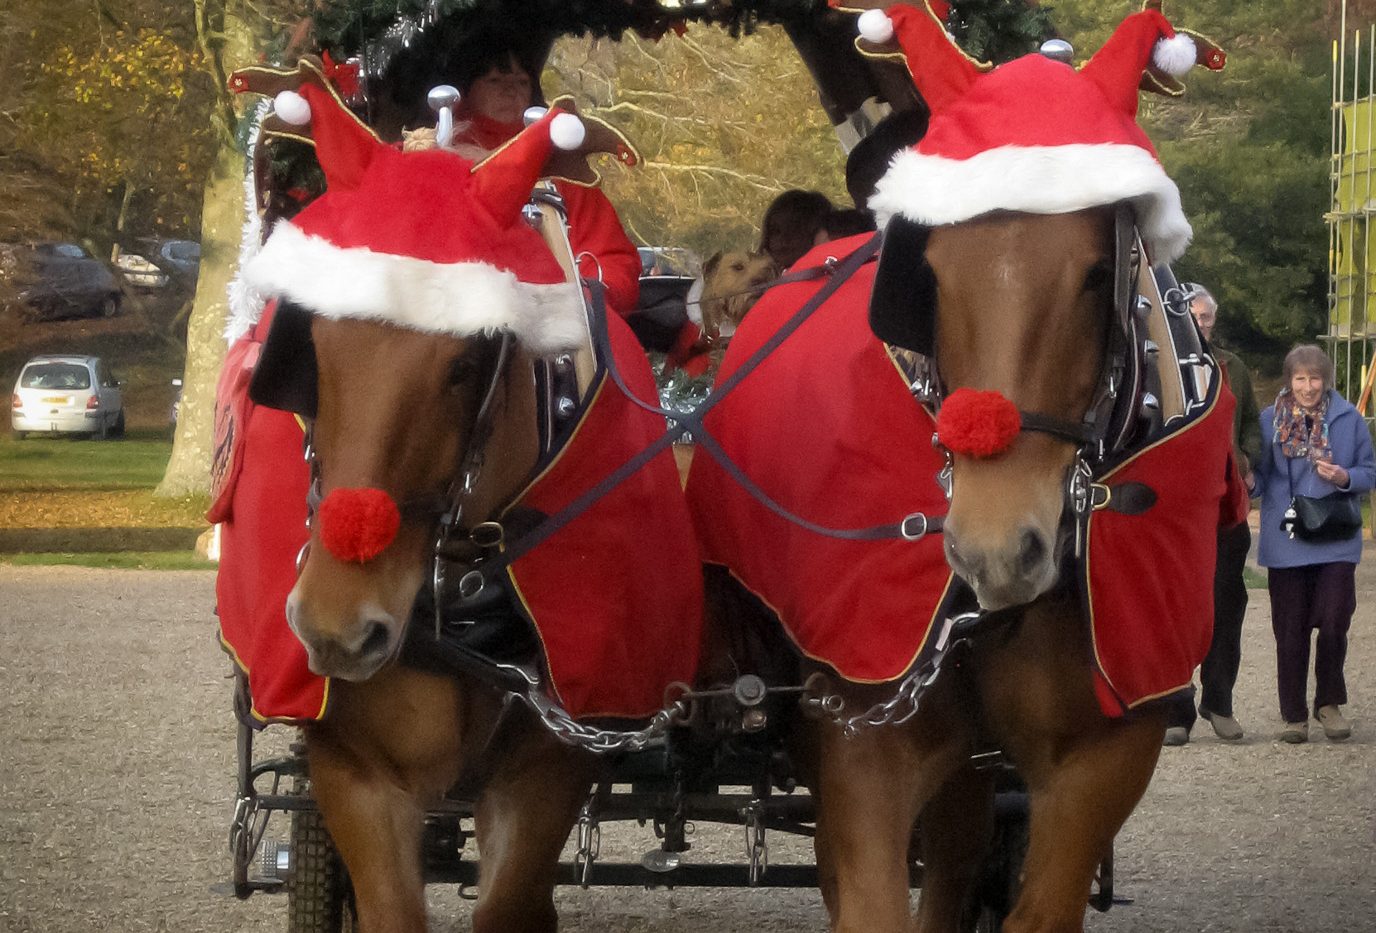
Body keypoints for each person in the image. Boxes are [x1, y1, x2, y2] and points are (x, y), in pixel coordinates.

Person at [445, 44, 642, 317]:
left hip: (558, 316)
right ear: (465, 91)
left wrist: (590, 297)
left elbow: (611, 258)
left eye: (521, 82)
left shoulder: (563, 168)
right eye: (495, 81)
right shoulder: (441, 160)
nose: (511, 91)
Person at [1252, 344, 1375, 743]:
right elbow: (1258, 479)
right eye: (1300, 378)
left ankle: (1329, 703)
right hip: (1287, 538)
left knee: (1336, 619)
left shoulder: (1349, 418)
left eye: (1315, 378)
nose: (1308, 387)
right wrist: (1246, 478)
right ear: (1289, 381)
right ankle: (1294, 716)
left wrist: (1344, 476)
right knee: (1290, 631)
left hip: (1336, 535)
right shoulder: (1269, 420)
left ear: (1326, 381)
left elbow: (1369, 471)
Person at [1162, 285, 1262, 745]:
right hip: (1177, 512)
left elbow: (1252, 425)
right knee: (1176, 610)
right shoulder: (1160, 365)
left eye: (1205, 317)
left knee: (1227, 603)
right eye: (1193, 316)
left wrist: (1247, 460)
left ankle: (1219, 703)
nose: (1200, 324)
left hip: (1225, 507)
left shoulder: (1232, 367)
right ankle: (1175, 711)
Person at [759, 189, 833, 271]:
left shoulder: (833, 275)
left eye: (793, 231)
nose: (783, 239)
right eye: (775, 231)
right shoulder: (755, 275)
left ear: (820, 235)